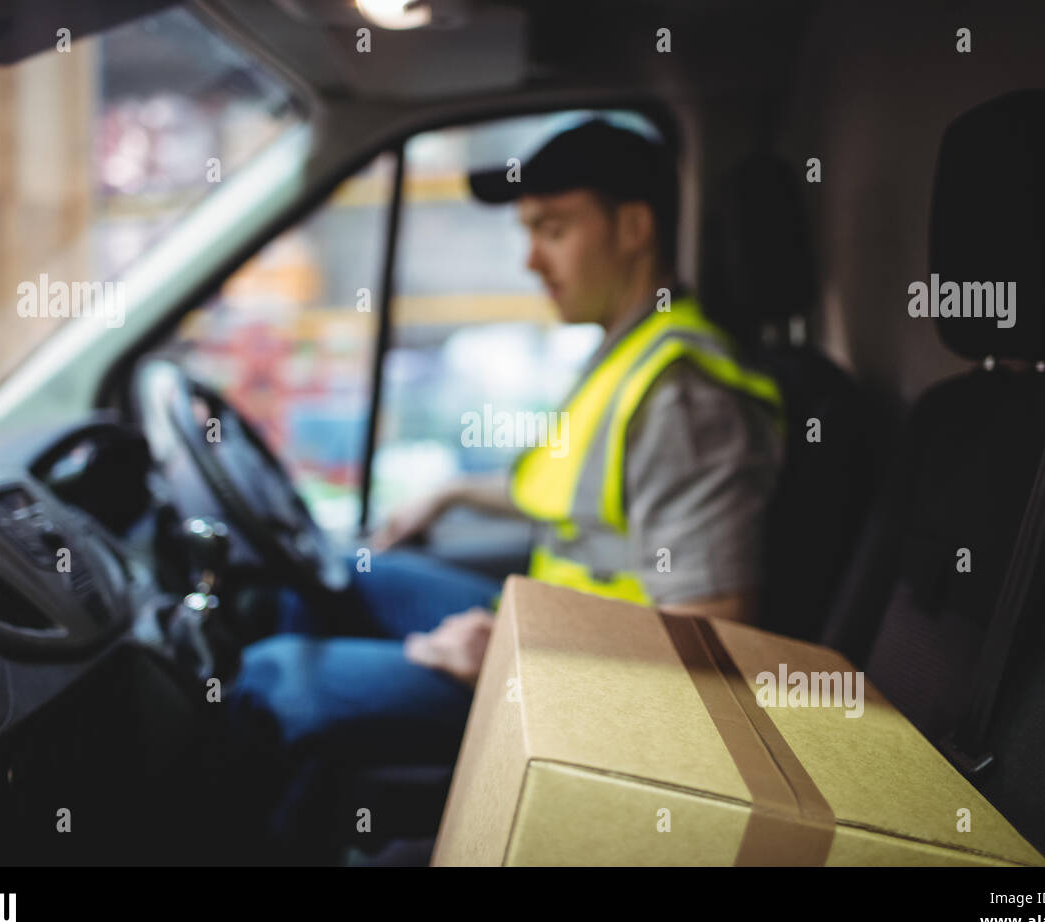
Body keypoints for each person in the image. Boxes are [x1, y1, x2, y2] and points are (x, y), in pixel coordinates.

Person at [225, 118, 784, 857]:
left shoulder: (683, 398)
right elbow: (579, 491)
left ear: (634, 227)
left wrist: (514, 656)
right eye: (527, 231)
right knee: (347, 578)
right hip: (551, 635)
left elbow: (711, 636)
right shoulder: (632, 349)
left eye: (552, 230)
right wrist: (451, 493)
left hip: (586, 697)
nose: (530, 260)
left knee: (273, 678)